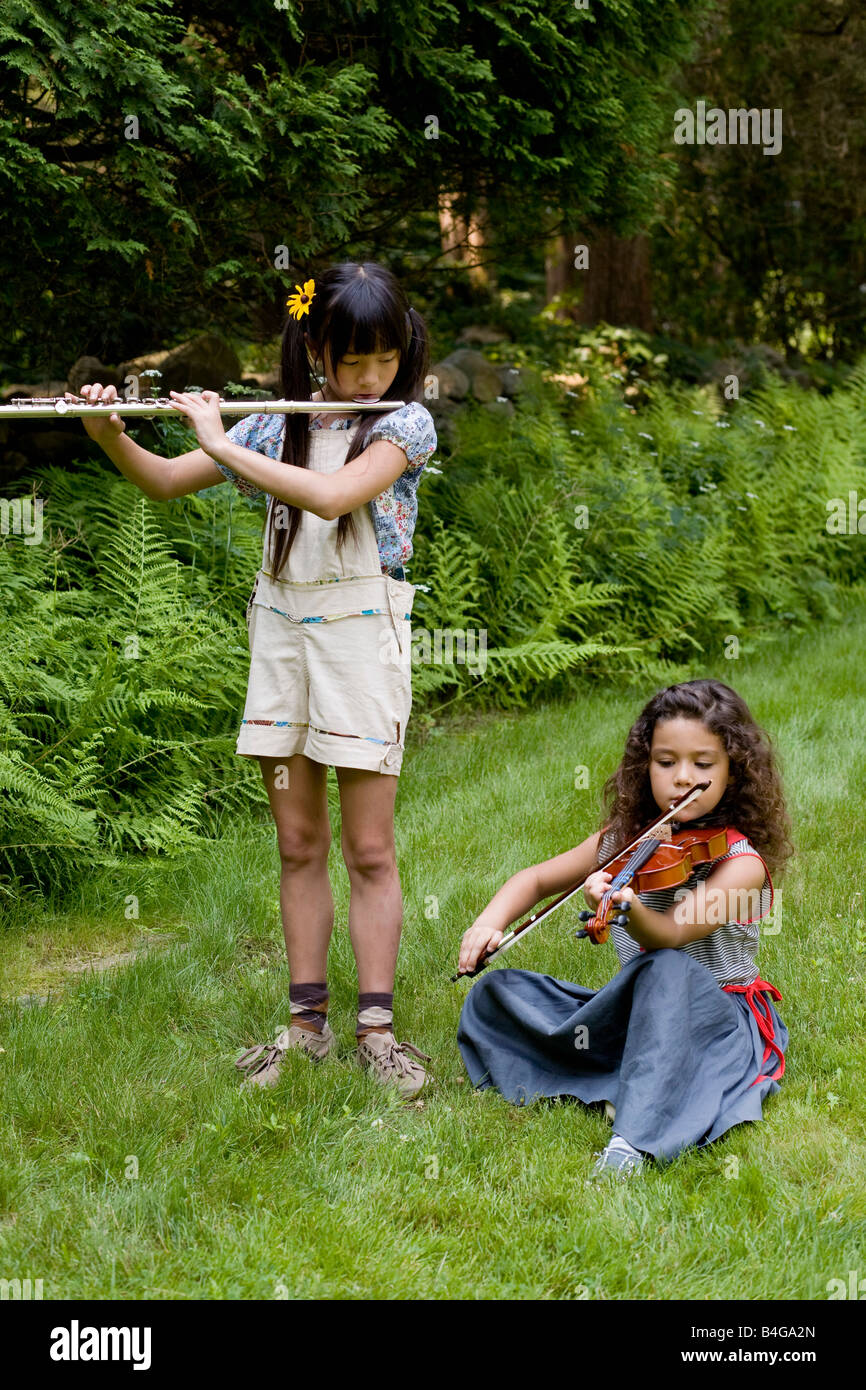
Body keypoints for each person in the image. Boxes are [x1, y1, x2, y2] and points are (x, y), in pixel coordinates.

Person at [71, 261, 436, 1098]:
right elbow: (164, 481)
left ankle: (376, 1032)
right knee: (298, 842)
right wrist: (111, 435)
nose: (371, 376)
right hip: (281, 641)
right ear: (315, 350)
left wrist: (223, 442)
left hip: (359, 641)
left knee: (369, 848)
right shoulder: (275, 425)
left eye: (385, 356)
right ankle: (305, 1026)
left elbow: (336, 498)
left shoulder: (406, 425)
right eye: (352, 361)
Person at [456, 679, 793, 1175]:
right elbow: (534, 880)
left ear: (733, 770)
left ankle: (632, 1140)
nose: (682, 778)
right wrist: (489, 922)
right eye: (665, 762)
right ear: (645, 765)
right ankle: (637, 1082)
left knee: (665, 970)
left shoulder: (740, 863)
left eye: (702, 764)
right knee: (497, 994)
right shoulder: (625, 841)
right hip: (640, 1017)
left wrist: (627, 907)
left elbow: (671, 936)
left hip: (714, 1024)